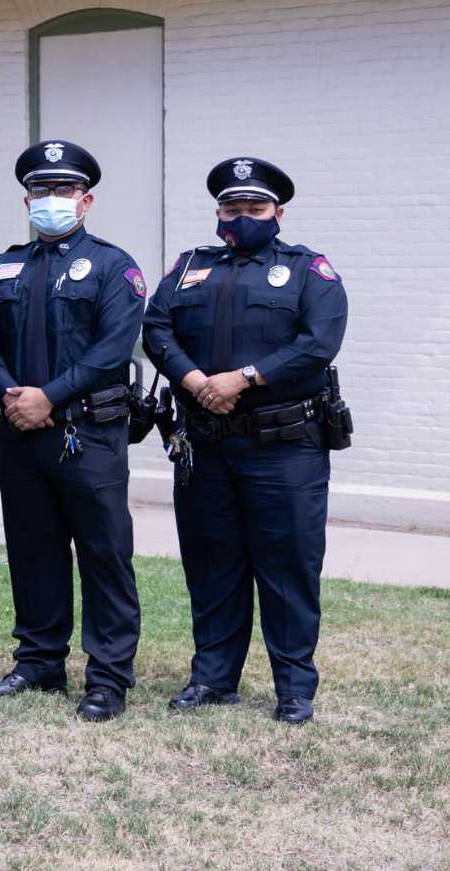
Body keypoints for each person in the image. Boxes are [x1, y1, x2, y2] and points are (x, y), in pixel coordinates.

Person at [143, 156, 348, 724]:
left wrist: (245, 378)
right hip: (205, 445)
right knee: (212, 565)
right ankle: (213, 678)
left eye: (254, 208)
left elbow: (319, 342)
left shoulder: (310, 270)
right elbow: (156, 327)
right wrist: (192, 379)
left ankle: (293, 688)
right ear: (217, 212)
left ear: (278, 212)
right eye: (232, 208)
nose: (242, 217)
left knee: (288, 568)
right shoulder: (189, 268)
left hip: (284, 447)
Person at [0, 140, 145, 722]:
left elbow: (114, 347)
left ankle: (108, 677)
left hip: (87, 432)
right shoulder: (3, 266)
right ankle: (39, 662)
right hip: (21, 431)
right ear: (26, 198)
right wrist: (11, 393)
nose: (52, 200)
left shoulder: (115, 267)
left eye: (63, 190)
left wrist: (50, 395)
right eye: (41, 190)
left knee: (104, 553)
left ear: (85, 200)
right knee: (33, 551)